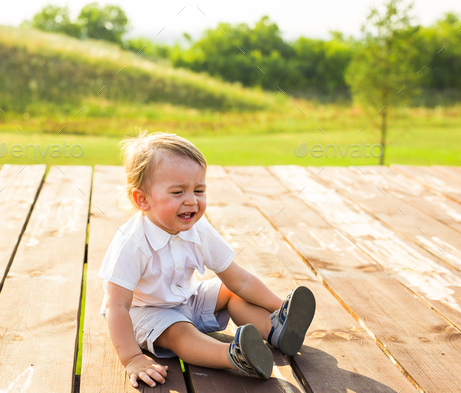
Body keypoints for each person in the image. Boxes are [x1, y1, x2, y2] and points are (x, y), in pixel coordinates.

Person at [98, 130, 316, 388]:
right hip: (145, 312)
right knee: (181, 332)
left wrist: (278, 306)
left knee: (230, 292)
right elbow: (117, 306)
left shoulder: (198, 230)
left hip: (187, 297)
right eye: (178, 192)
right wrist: (132, 357)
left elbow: (240, 280)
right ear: (142, 199)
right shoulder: (132, 243)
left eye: (199, 190)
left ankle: (276, 328)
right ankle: (234, 355)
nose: (191, 201)